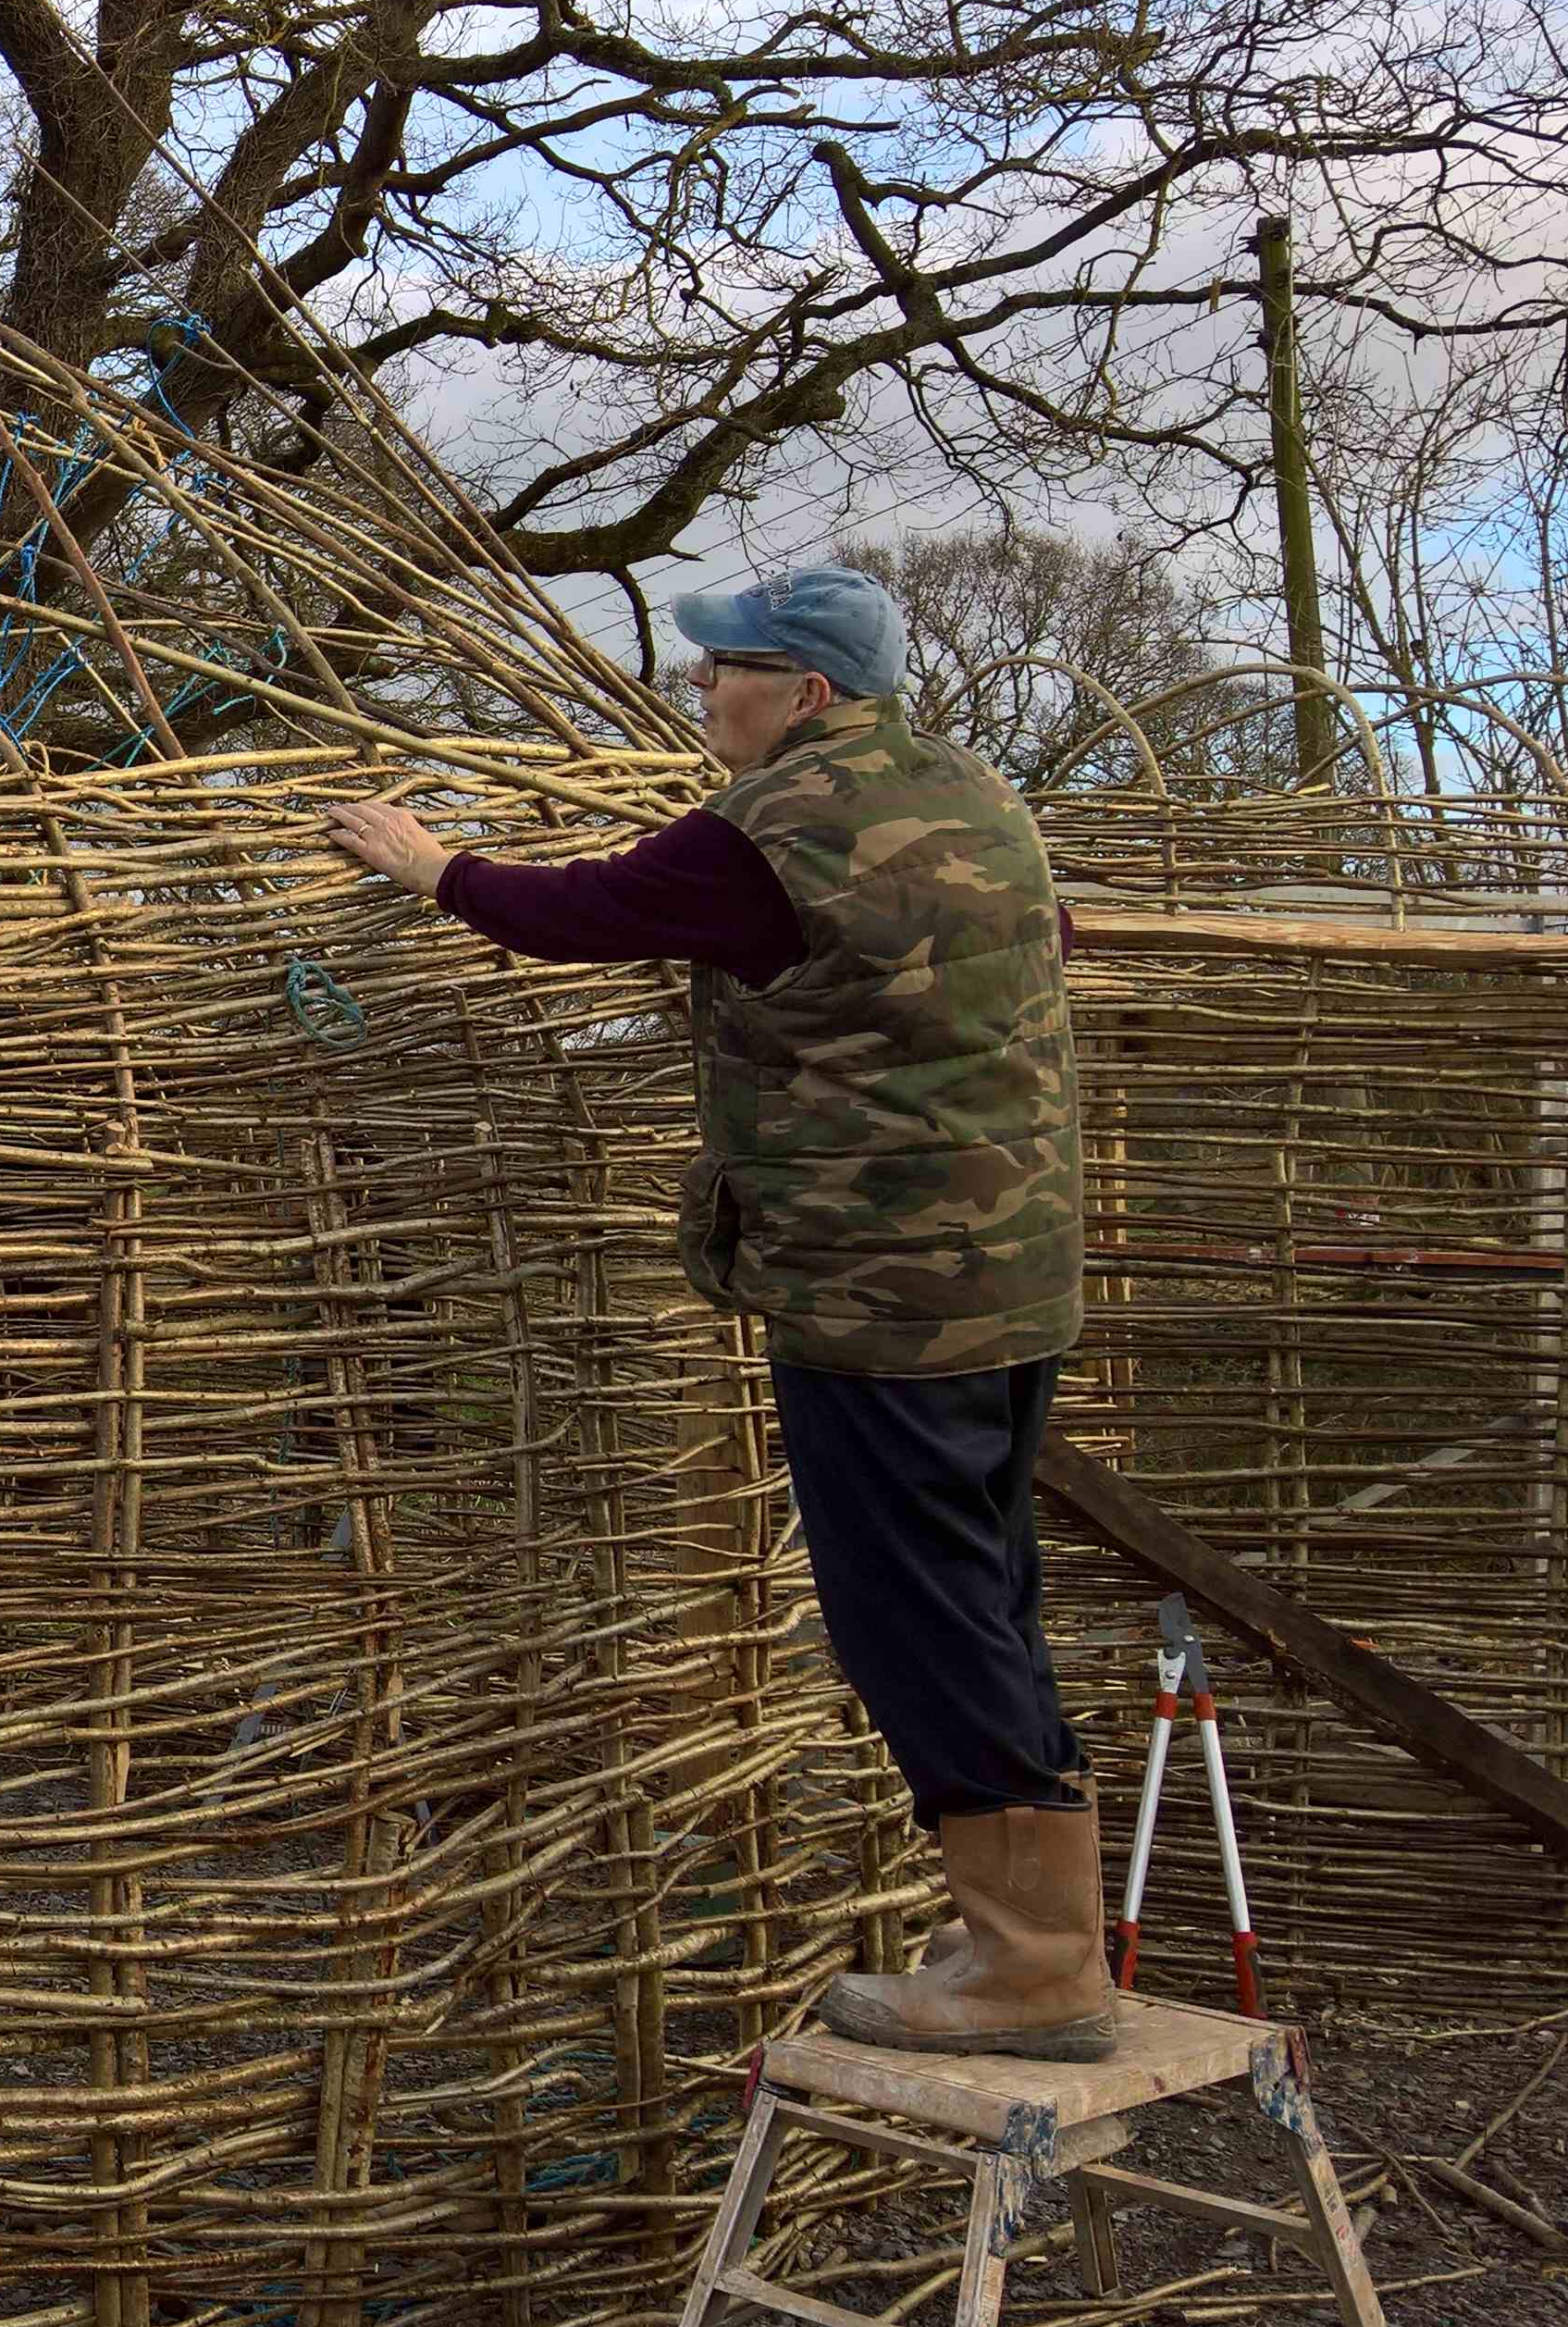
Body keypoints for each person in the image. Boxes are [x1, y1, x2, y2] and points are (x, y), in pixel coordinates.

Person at [320, 566, 1106, 2062]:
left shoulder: (775, 828)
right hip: (1013, 1279)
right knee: (983, 1594)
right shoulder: (973, 794)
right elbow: (1031, 950)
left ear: (802, 692)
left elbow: (587, 910)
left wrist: (431, 864)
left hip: (876, 1299)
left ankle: (1031, 1965)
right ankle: (1030, 1927)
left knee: (909, 1617)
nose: (699, 691)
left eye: (721, 668)